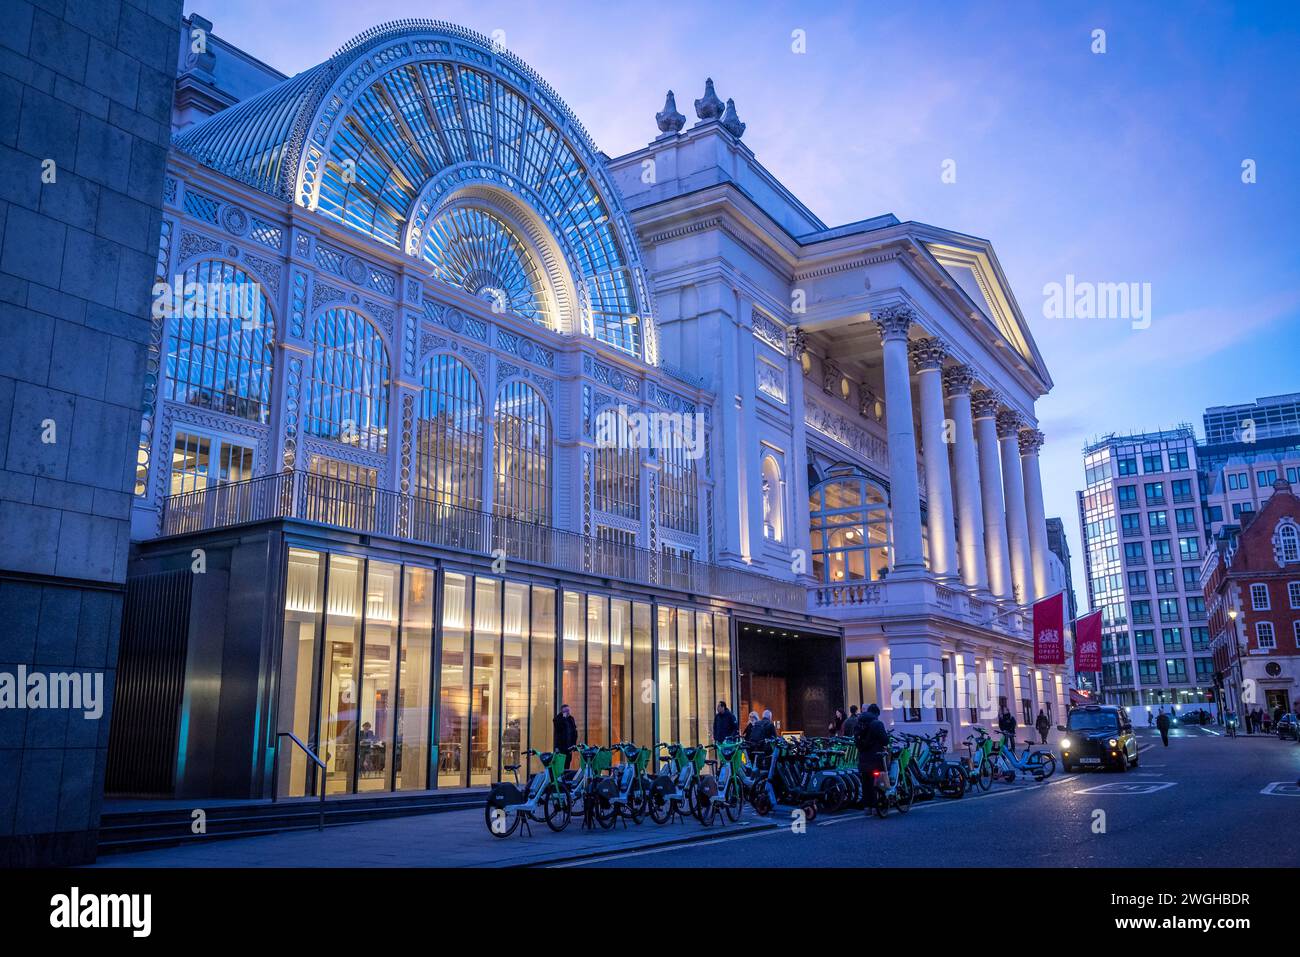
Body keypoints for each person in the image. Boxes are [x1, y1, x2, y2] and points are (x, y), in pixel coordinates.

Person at [854, 703, 890, 812]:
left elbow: (856, 740)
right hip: (876, 757)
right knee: (877, 781)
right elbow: (885, 740)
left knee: (866, 783)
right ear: (876, 713)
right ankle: (876, 806)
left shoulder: (859, 723)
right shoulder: (877, 724)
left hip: (863, 757)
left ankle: (867, 807)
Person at [553, 704, 578, 769]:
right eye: (566, 711)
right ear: (562, 711)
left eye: (568, 710)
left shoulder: (571, 719)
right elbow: (558, 730)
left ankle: (566, 777)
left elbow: (574, 731)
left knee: (568, 762)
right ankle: (560, 778)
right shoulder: (557, 719)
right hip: (561, 746)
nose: (568, 712)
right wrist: (564, 718)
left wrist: (574, 744)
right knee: (561, 764)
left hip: (569, 746)